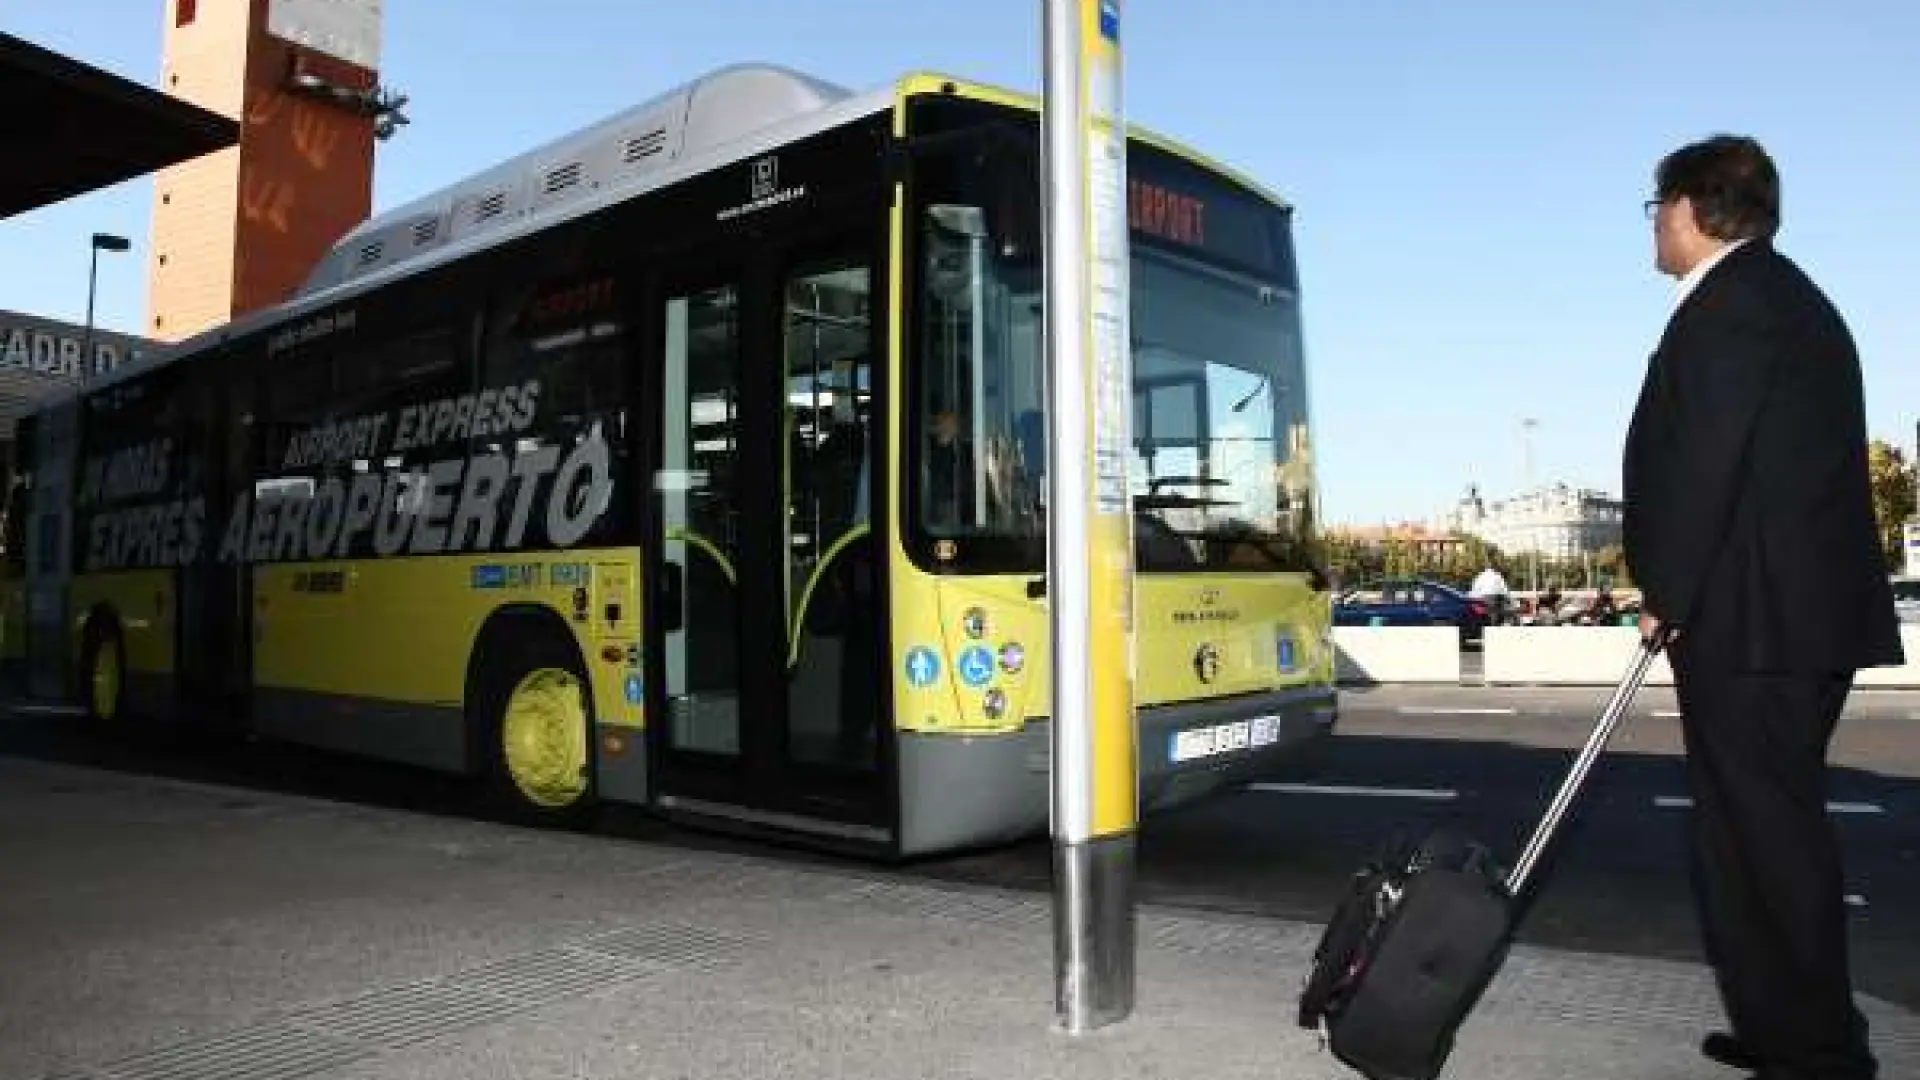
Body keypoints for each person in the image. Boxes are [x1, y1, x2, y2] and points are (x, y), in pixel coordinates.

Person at [1623, 134, 1904, 1080]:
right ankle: (1784, 1024)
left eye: (1655, 207)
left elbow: (1706, 464)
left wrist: (1668, 590)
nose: (1653, 227)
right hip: (1777, 614)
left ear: (1693, 208)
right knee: (1753, 833)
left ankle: (1818, 1053)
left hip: (1756, 623)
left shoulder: (1734, 307)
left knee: (1766, 838)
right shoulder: (1782, 299)